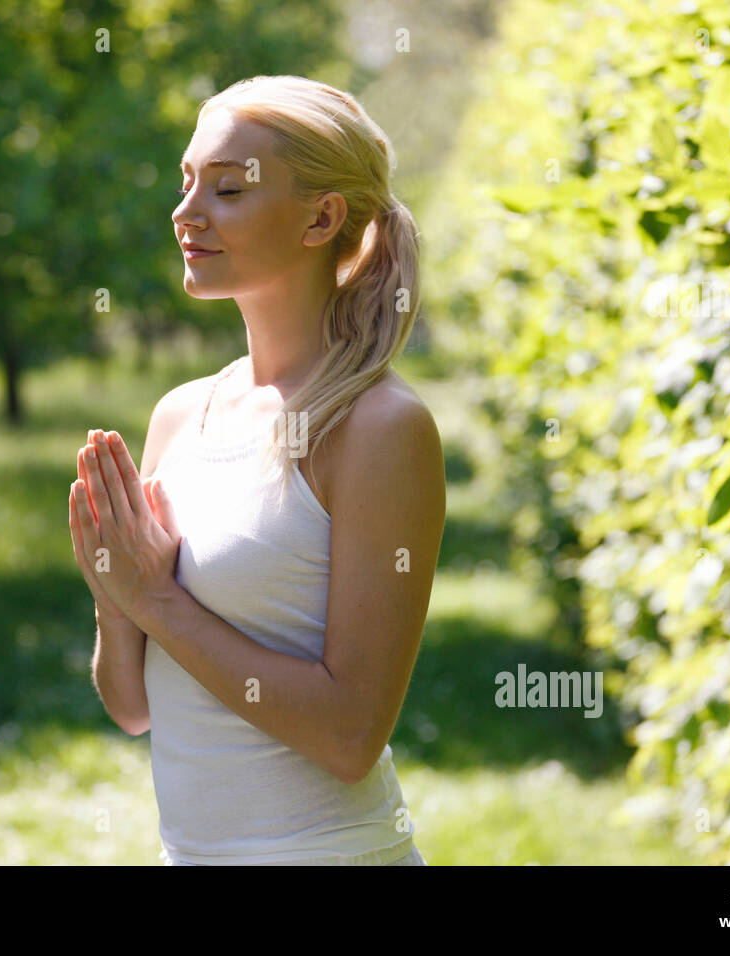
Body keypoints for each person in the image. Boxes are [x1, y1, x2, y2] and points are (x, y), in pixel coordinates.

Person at [68, 75, 444, 865]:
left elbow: (349, 737)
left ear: (321, 216)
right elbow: (133, 707)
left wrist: (157, 600)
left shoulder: (379, 429)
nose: (186, 212)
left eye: (229, 188)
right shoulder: (180, 415)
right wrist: (115, 598)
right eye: (188, 182)